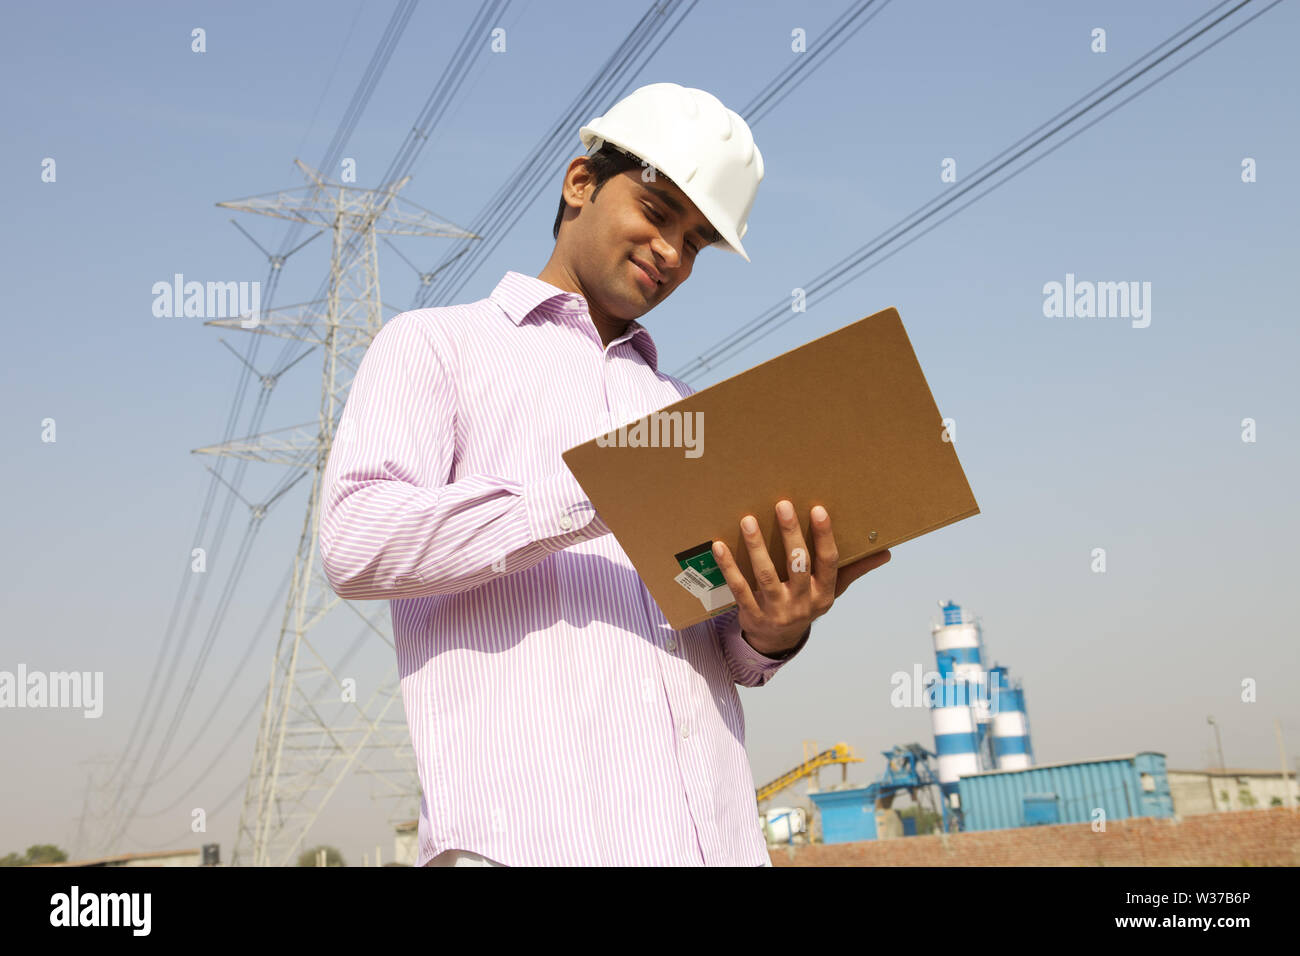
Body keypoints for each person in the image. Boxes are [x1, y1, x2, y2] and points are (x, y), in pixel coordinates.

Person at [318, 82, 891, 867]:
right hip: (525, 848)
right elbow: (354, 543)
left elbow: (718, 642)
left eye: (694, 243)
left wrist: (772, 627)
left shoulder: (685, 408)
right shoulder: (434, 348)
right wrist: (600, 486)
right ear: (580, 183)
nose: (671, 253)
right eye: (659, 215)